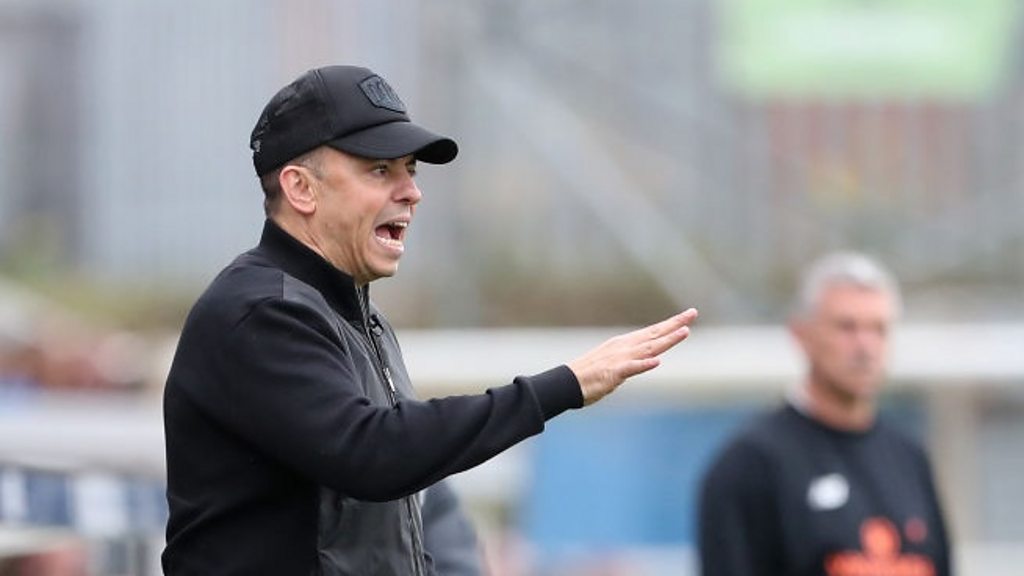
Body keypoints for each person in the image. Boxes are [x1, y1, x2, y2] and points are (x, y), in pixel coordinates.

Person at [161, 64, 699, 575]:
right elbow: (375, 454)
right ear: (302, 188)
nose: (412, 191)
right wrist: (564, 386)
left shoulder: (355, 317)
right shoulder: (260, 310)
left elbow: (397, 509)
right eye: (379, 169)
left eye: (411, 170)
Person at [697, 252, 952, 576]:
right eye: (847, 327)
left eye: (879, 329)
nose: (865, 346)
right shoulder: (751, 465)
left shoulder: (910, 460)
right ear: (801, 334)